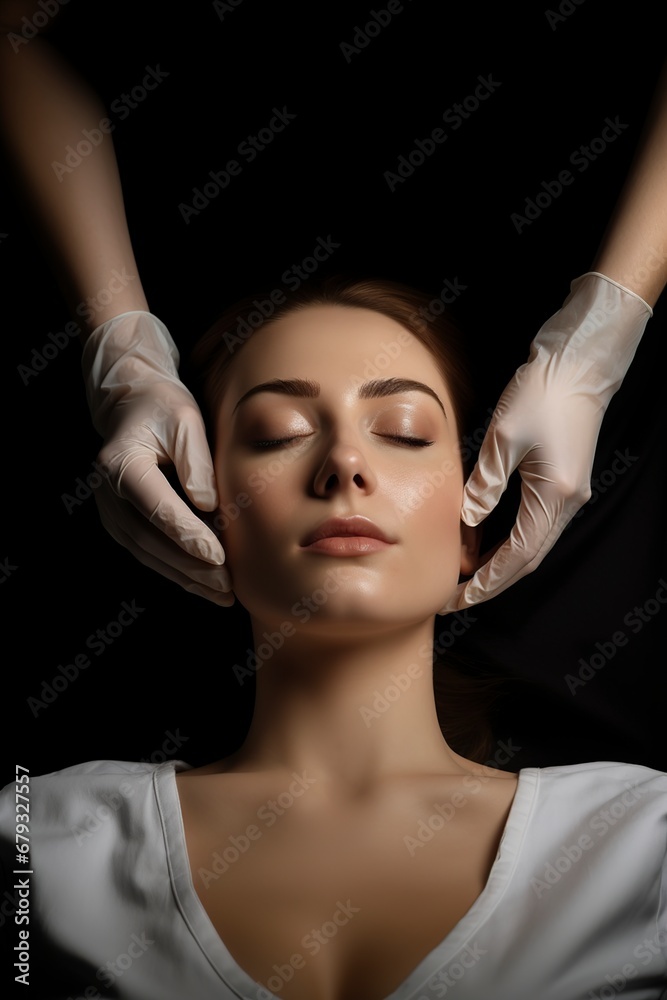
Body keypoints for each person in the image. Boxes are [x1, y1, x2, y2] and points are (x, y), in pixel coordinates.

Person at [1, 274, 666, 1000]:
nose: (343, 464)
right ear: (196, 511)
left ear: (469, 530)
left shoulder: (640, 841)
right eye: (276, 434)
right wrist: (116, 337)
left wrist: (610, 313)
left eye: (404, 432)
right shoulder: (46, 835)